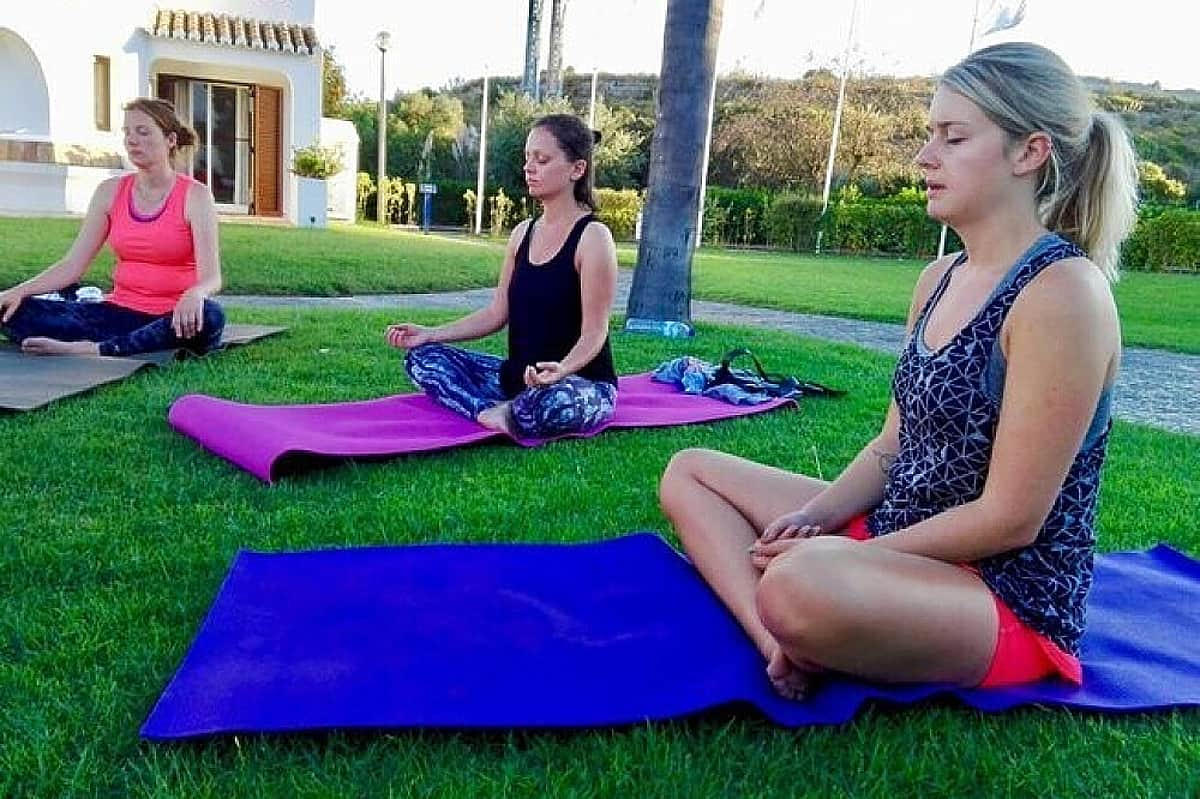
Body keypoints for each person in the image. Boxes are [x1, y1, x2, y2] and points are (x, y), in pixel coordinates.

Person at [659, 42, 1138, 699]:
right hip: (899, 534)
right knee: (691, 471)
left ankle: (798, 614)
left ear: (1029, 152)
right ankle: (779, 642)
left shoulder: (1064, 295)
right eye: (929, 135)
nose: (924, 157)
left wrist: (846, 556)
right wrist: (813, 519)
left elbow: (1010, 519)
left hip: (999, 594)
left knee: (799, 583)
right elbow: (892, 446)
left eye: (954, 137)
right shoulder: (939, 278)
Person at [386, 114, 619, 439]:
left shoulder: (593, 237)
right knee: (423, 359)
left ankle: (509, 410)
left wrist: (562, 369)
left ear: (576, 170)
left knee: (556, 402)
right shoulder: (522, 233)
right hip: (516, 378)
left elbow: (595, 333)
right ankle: (490, 412)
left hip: (579, 383)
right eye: (527, 158)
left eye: (542, 159)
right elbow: (497, 312)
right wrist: (430, 334)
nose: (529, 168)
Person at [0, 98, 224, 357]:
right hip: (114, 315)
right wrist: (17, 292)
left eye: (143, 132)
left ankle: (94, 349)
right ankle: (116, 343)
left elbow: (212, 278)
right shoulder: (109, 192)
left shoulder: (195, 196)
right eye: (127, 132)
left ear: (170, 140)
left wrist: (196, 293)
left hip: (172, 317)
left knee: (211, 316)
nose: (132, 140)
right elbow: (72, 265)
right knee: (11, 308)